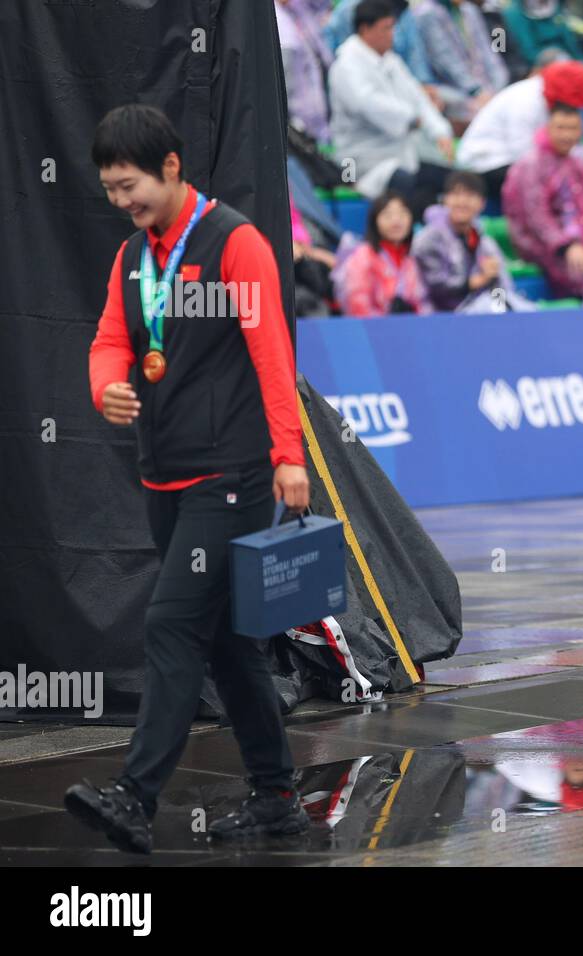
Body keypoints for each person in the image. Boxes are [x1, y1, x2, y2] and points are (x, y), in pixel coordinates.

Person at [67, 104, 310, 853]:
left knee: (172, 623)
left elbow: (272, 353)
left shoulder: (235, 243)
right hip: (164, 478)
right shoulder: (134, 257)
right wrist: (104, 383)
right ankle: (275, 796)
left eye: (129, 184)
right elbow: (110, 339)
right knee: (232, 643)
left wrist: (288, 454)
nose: (121, 201)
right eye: (109, 189)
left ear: (171, 167)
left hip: (228, 478)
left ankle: (136, 796)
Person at [328, 0, 455, 212]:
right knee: (409, 186)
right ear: (365, 29)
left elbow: (418, 98)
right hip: (361, 161)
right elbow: (367, 103)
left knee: (449, 179)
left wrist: (439, 131)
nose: (392, 34)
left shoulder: (392, 61)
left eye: (393, 27)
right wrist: (411, 118)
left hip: (399, 154)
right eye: (386, 28)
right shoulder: (345, 65)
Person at [502, 102, 583, 299]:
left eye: (573, 128)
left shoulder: (578, 163)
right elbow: (536, 217)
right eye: (561, 128)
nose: (567, 135)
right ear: (548, 128)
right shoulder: (531, 165)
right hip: (546, 247)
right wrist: (567, 246)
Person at [456, 55, 583, 201]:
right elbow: (522, 153)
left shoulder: (546, 96)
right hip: (486, 163)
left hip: (516, 161)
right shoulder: (527, 100)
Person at [412, 170, 533, 312]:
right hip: (441, 315)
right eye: (456, 194)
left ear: (482, 204)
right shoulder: (428, 239)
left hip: (480, 311)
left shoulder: (484, 242)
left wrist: (501, 308)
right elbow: (436, 287)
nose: (462, 202)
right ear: (445, 199)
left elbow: (500, 284)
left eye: (470, 196)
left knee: (525, 310)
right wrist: (474, 282)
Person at [407, 0, 510, 128]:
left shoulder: (470, 9)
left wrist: (498, 86)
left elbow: (490, 51)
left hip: (486, 86)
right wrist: (476, 91)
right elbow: (446, 61)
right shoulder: (427, 13)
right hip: (454, 88)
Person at [334, 191, 432, 316]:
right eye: (388, 215)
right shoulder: (363, 256)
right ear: (375, 220)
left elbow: (423, 303)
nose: (396, 221)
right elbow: (357, 304)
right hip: (373, 330)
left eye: (402, 214)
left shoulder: (411, 259)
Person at [275, 0, 334, 145]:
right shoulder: (274, 17)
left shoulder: (298, 7)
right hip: (298, 125)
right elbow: (284, 86)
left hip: (321, 115)